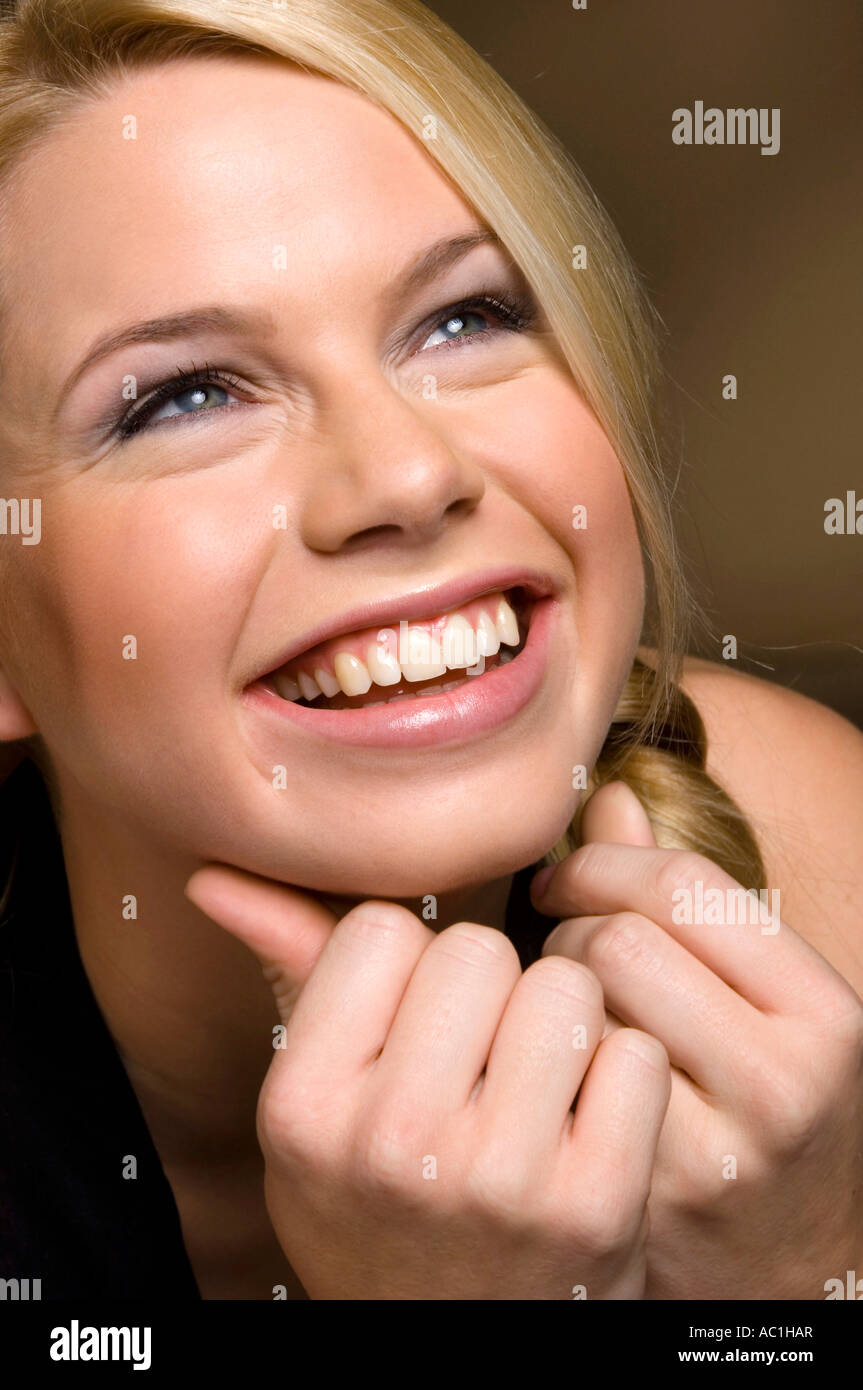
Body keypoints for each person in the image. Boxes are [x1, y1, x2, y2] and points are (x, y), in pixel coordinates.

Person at [0, 0, 860, 1301]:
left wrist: (795, 1279)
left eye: (461, 319)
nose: (408, 472)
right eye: (181, 395)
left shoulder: (802, 854)